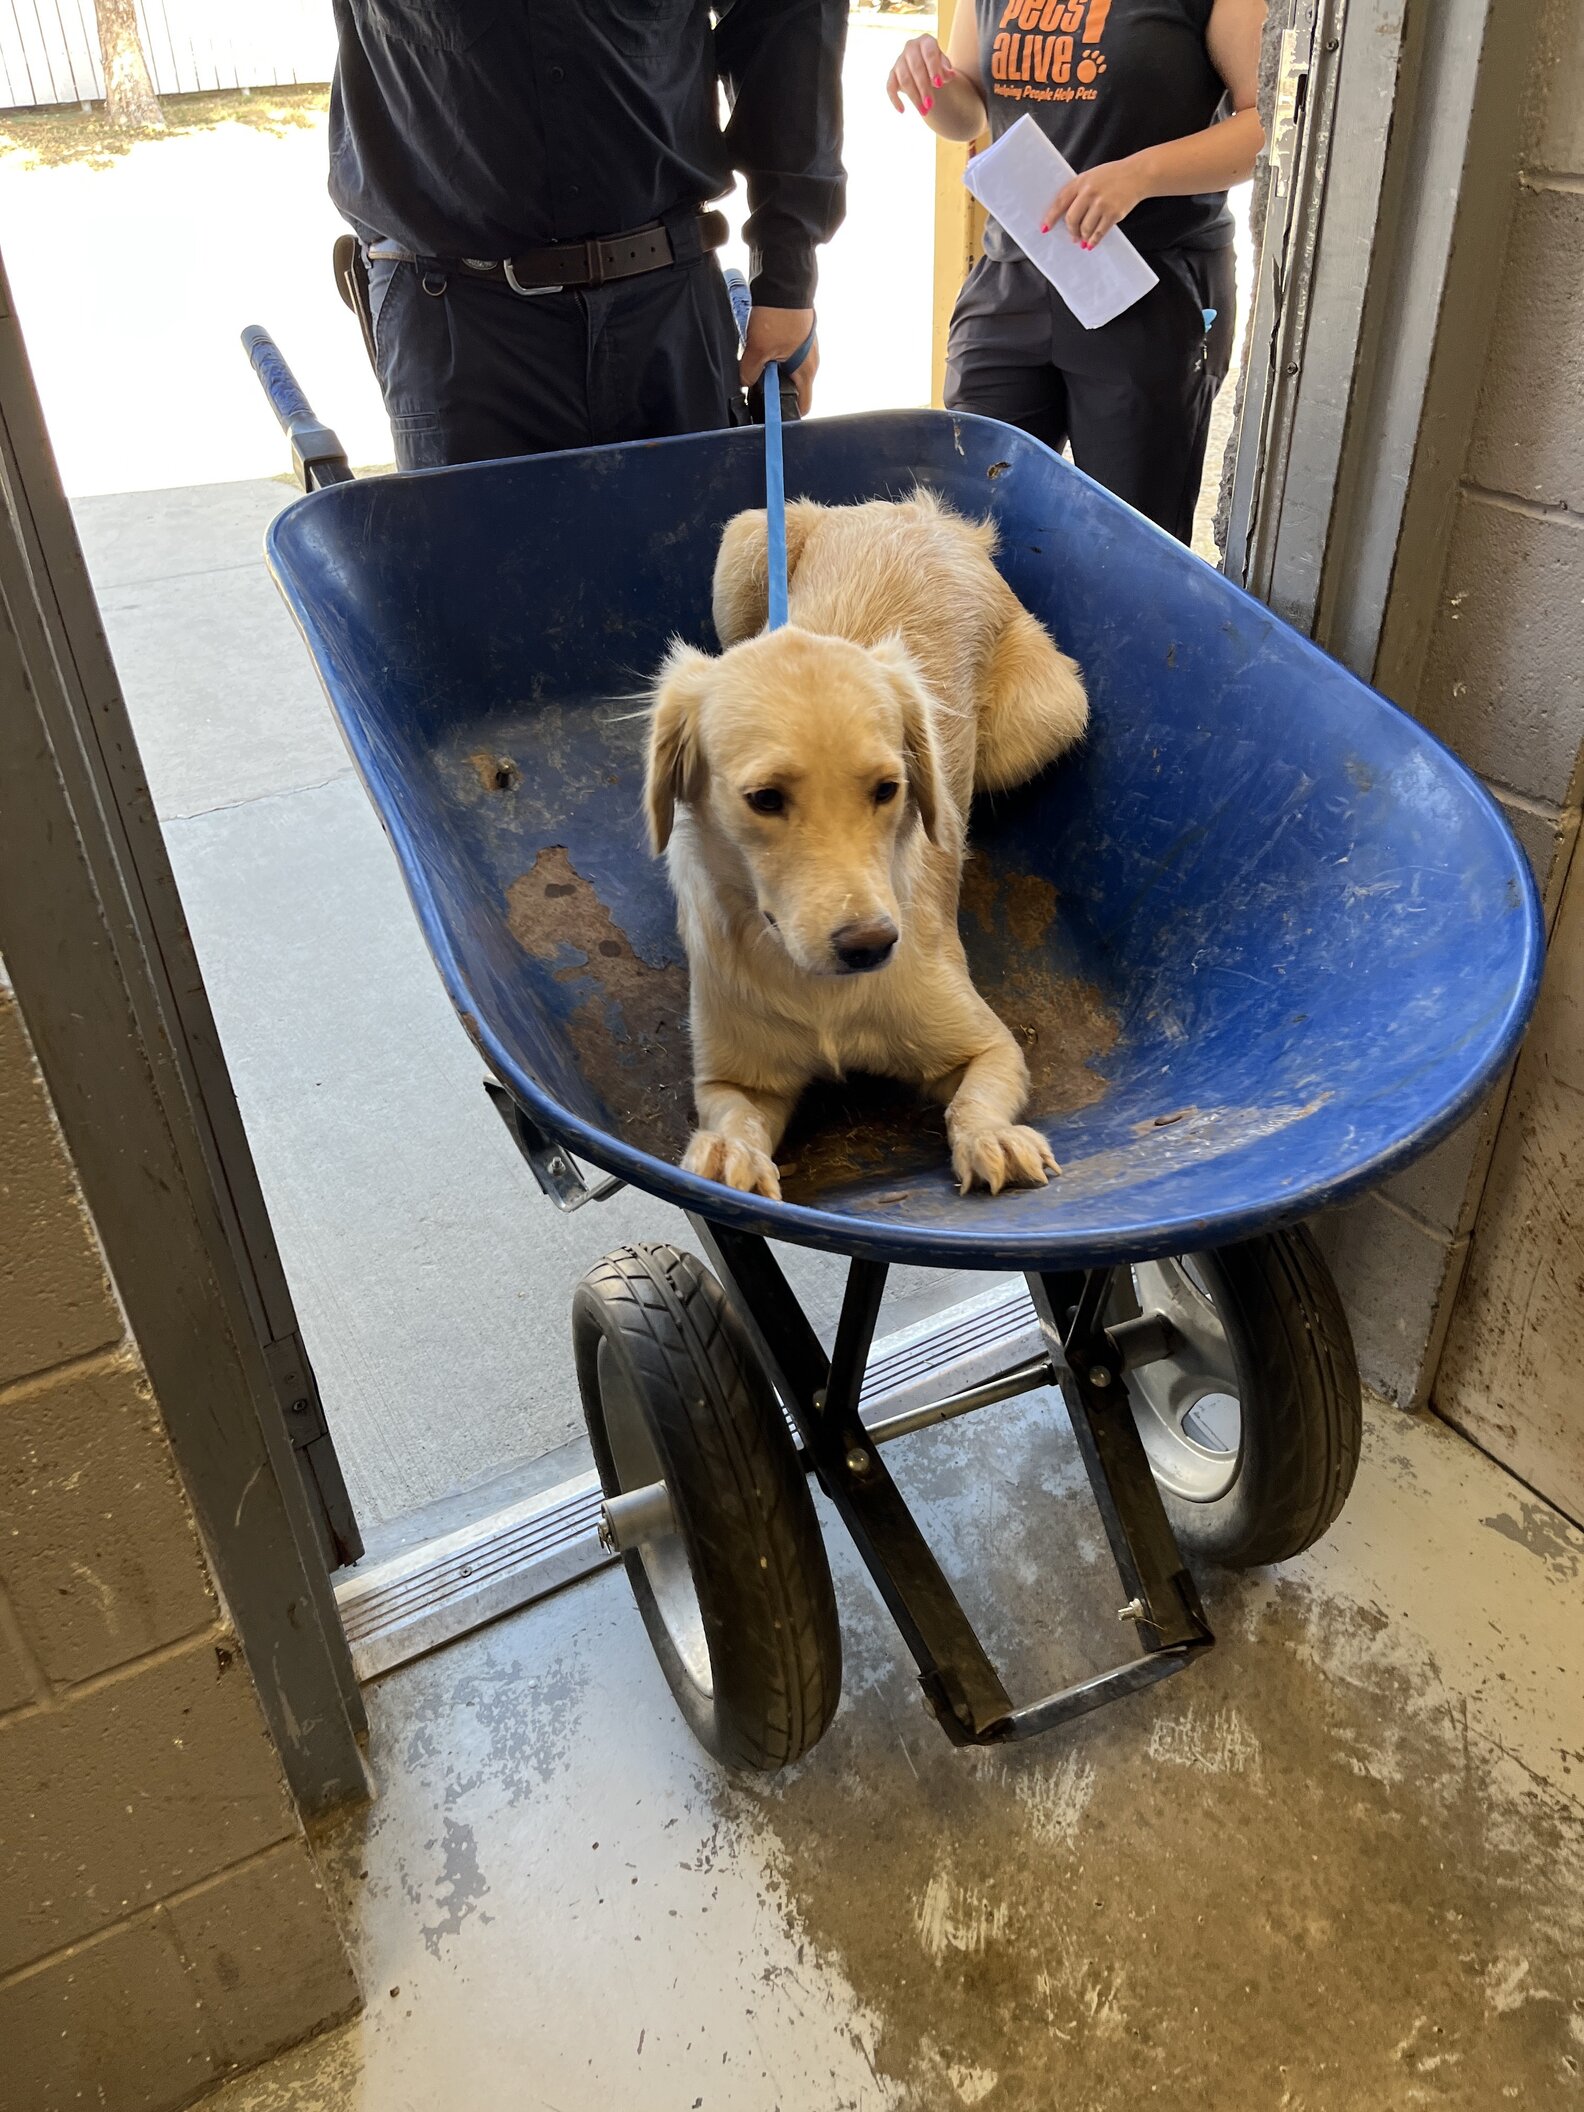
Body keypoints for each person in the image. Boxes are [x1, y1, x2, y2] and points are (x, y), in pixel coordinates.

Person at [329, 1, 847, 470]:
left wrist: (786, 273)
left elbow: (784, 14)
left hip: (669, 304)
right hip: (453, 316)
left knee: (701, 546)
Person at [888, 0, 1265, 542]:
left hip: (1145, 282)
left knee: (1127, 542)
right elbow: (969, 114)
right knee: (966, 526)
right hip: (1012, 272)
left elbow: (1267, 122)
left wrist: (1140, 175)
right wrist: (930, 80)